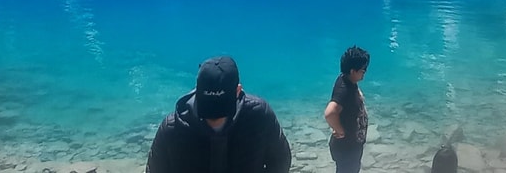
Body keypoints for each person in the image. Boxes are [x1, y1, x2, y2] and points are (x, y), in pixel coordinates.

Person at [146, 56, 292, 173]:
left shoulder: (259, 116)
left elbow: (280, 159)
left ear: (238, 91)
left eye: (219, 107)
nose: (213, 119)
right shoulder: (172, 129)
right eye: (209, 106)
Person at [325, 46, 370, 173]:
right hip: (347, 148)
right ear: (352, 71)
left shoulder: (347, 80)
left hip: (351, 146)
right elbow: (330, 112)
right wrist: (340, 130)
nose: (364, 73)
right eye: (363, 70)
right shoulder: (344, 89)